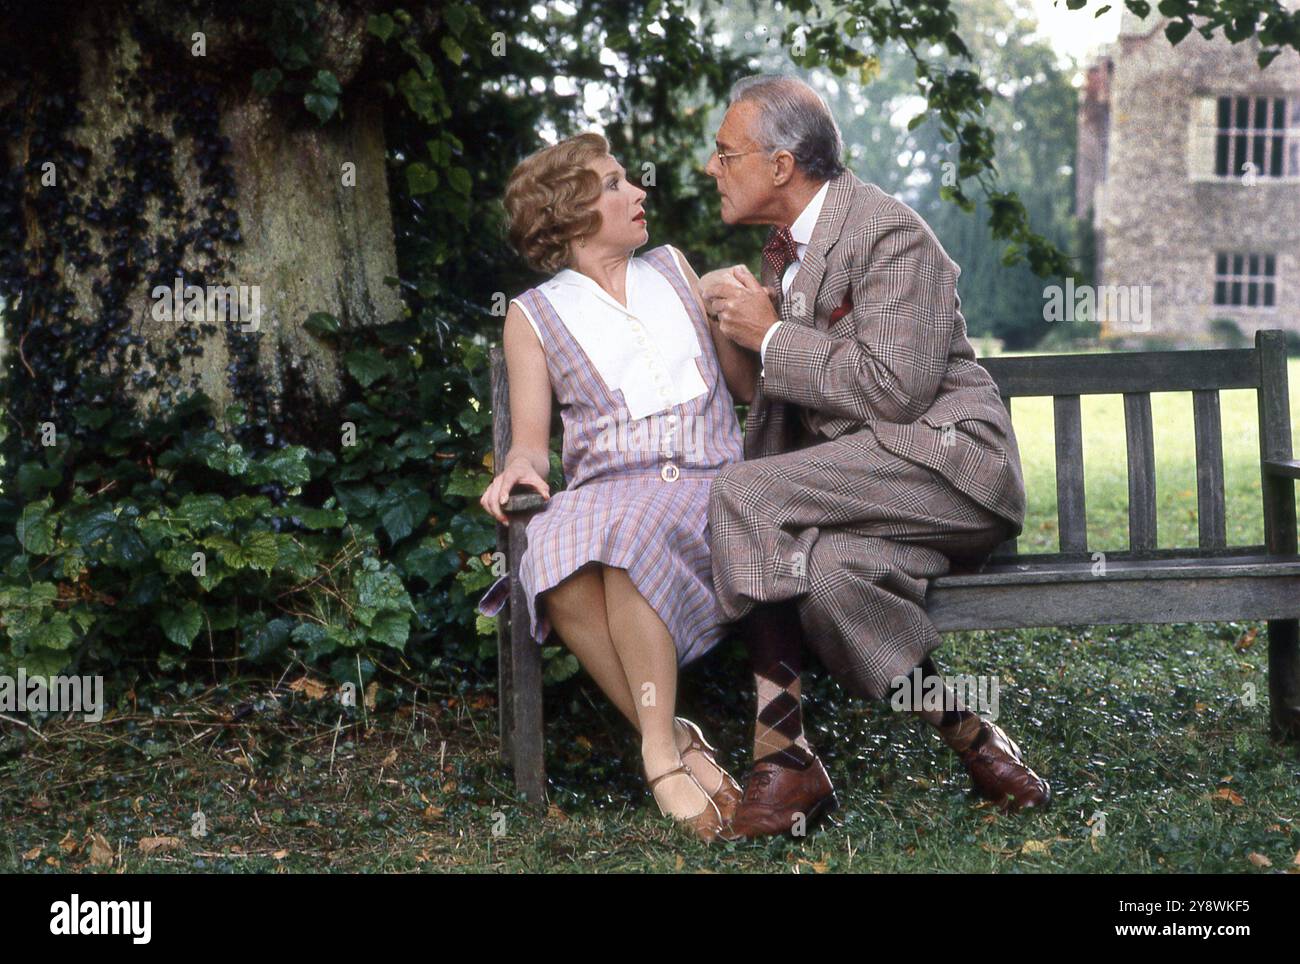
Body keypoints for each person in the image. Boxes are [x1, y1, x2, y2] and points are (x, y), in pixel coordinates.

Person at [700, 74, 1052, 839]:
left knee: (744, 494)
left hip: (951, 470)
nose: (709, 168)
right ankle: (975, 739)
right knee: (828, 580)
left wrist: (770, 335)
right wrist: (723, 323)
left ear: (782, 165)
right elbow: (791, 395)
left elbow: (893, 391)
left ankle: (782, 757)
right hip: (874, 482)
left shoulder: (889, 233)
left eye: (725, 153)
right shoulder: (784, 256)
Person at [476, 132, 754, 843]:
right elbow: (533, 442)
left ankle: (659, 754)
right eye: (613, 185)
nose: (637, 194)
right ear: (570, 217)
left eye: (628, 179)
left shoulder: (673, 268)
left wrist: (735, 315)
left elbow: (745, 389)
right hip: (612, 487)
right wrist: (519, 467)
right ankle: (671, 736)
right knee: (556, 547)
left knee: (623, 533)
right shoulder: (533, 315)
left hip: (708, 480)